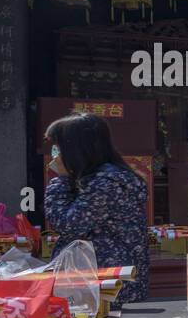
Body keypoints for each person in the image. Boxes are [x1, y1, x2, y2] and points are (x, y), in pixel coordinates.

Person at [43, 113, 149, 306]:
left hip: (105, 284)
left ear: (76, 149)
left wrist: (61, 180)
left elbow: (68, 224)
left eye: (58, 148)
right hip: (102, 280)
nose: (55, 155)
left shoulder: (105, 184)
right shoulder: (102, 179)